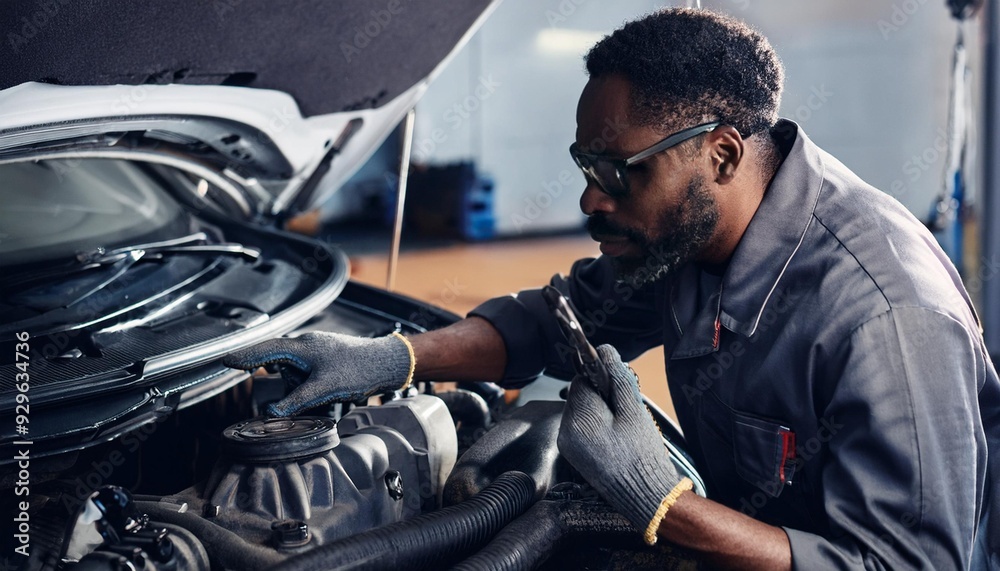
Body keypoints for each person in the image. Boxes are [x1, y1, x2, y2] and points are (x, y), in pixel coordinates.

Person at [225, 8, 999, 570]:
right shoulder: (688, 237)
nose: (593, 200)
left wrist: (666, 506)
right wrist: (390, 359)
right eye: (584, 167)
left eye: (617, 171)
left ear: (722, 155)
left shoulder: (885, 319)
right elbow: (550, 324)